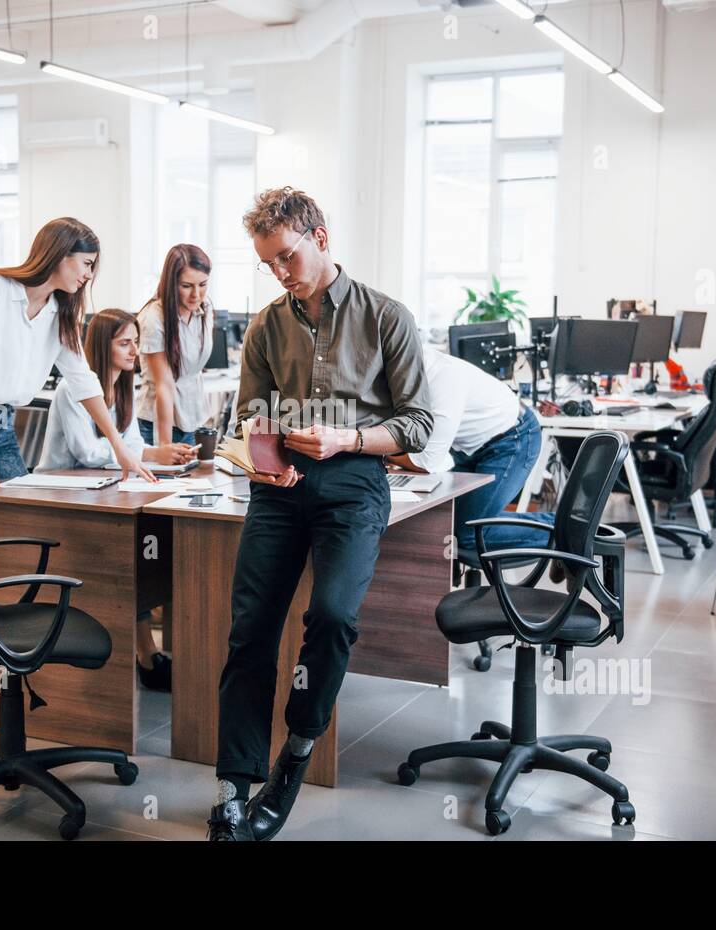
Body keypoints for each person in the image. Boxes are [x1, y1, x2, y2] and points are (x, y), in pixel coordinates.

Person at [206, 187, 433, 841]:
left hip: (355, 482)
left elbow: (417, 425)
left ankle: (295, 754)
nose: (280, 273)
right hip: (280, 488)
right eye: (268, 263)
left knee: (332, 616)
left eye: (287, 256)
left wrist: (349, 440)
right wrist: (266, 451)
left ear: (321, 238)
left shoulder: (386, 316)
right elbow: (249, 411)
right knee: (250, 631)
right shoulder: (266, 324)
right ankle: (232, 787)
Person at [0, 218, 155, 543]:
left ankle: (5, 593)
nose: (88, 275)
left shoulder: (61, 312)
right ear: (60, 254)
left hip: (1, 425)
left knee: (26, 522)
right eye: (86, 264)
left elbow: (84, 381)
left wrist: (120, 447)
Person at [39, 308, 196, 690]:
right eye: (125, 343)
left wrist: (139, 455)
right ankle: (145, 656)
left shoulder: (122, 387)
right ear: (100, 346)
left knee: (148, 553)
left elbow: (134, 445)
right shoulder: (72, 390)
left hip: (103, 490)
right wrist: (130, 454)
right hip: (61, 495)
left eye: (137, 342)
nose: (134, 351)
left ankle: (148, 653)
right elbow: (86, 452)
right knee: (129, 558)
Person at [385, 346, 555, 561]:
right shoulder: (405, 369)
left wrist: (372, 449)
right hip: (468, 447)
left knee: (468, 534)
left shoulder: (442, 379)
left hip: (513, 439)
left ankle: (563, 531)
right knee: (449, 522)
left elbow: (427, 462)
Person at [135, 244, 216, 447]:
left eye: (203, 284)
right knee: (165, 477)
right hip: (159, 423)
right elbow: (165, 385)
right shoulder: (154, 318)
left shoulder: (205, 309)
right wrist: (165, 446)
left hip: (192, 420)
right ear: (172, 283)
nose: (196, 295)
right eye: (187, 286)